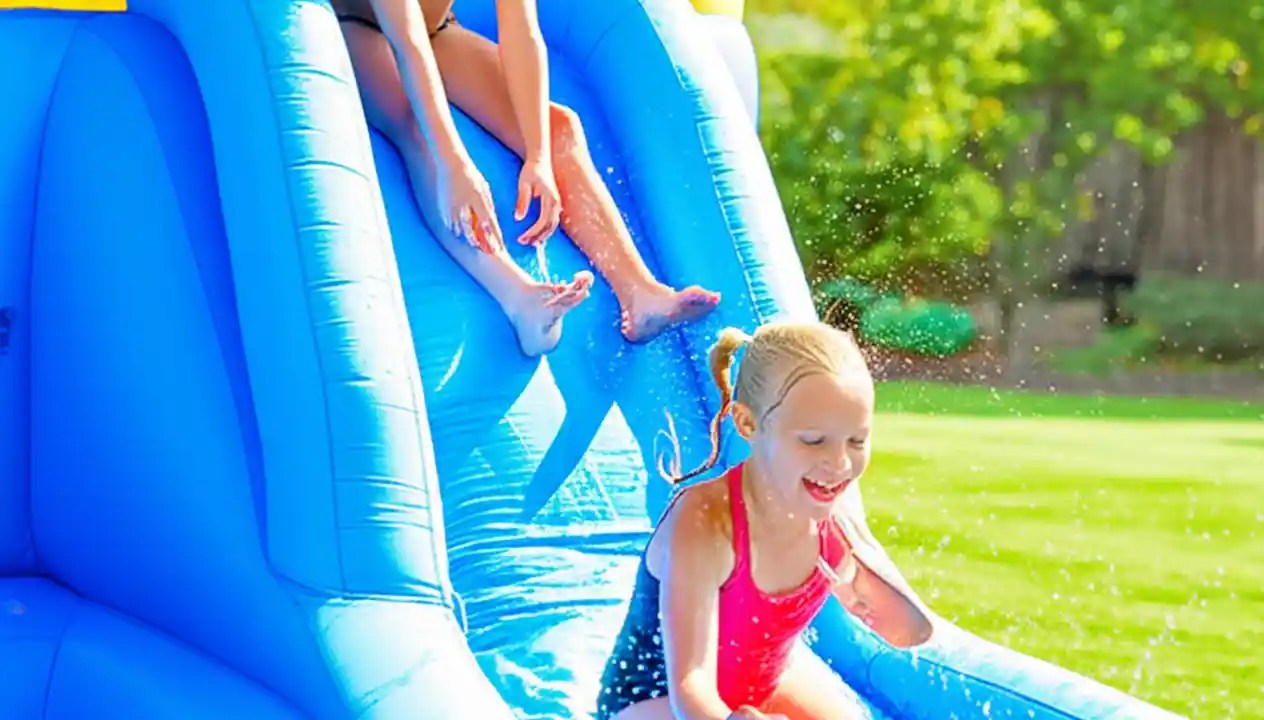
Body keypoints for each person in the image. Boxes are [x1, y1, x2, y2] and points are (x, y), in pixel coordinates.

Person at [332, 0, 721, 356]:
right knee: (417, 127)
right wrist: (454, 161)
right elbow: (408, 45)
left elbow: (522, 30)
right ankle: (520, 300)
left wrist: (538, 156)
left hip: (437, 30)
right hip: (358, 26)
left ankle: (640, 294)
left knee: (560, 127)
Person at [595, 321, 935, 720]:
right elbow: (690, 686)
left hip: (757, 693)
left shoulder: (831, 520)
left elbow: (910, 633)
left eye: (857, 441)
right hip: (654, 704)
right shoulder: (707, 522)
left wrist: (864, 575)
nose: (840, 463)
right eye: (813, 440)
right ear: (748, 424)